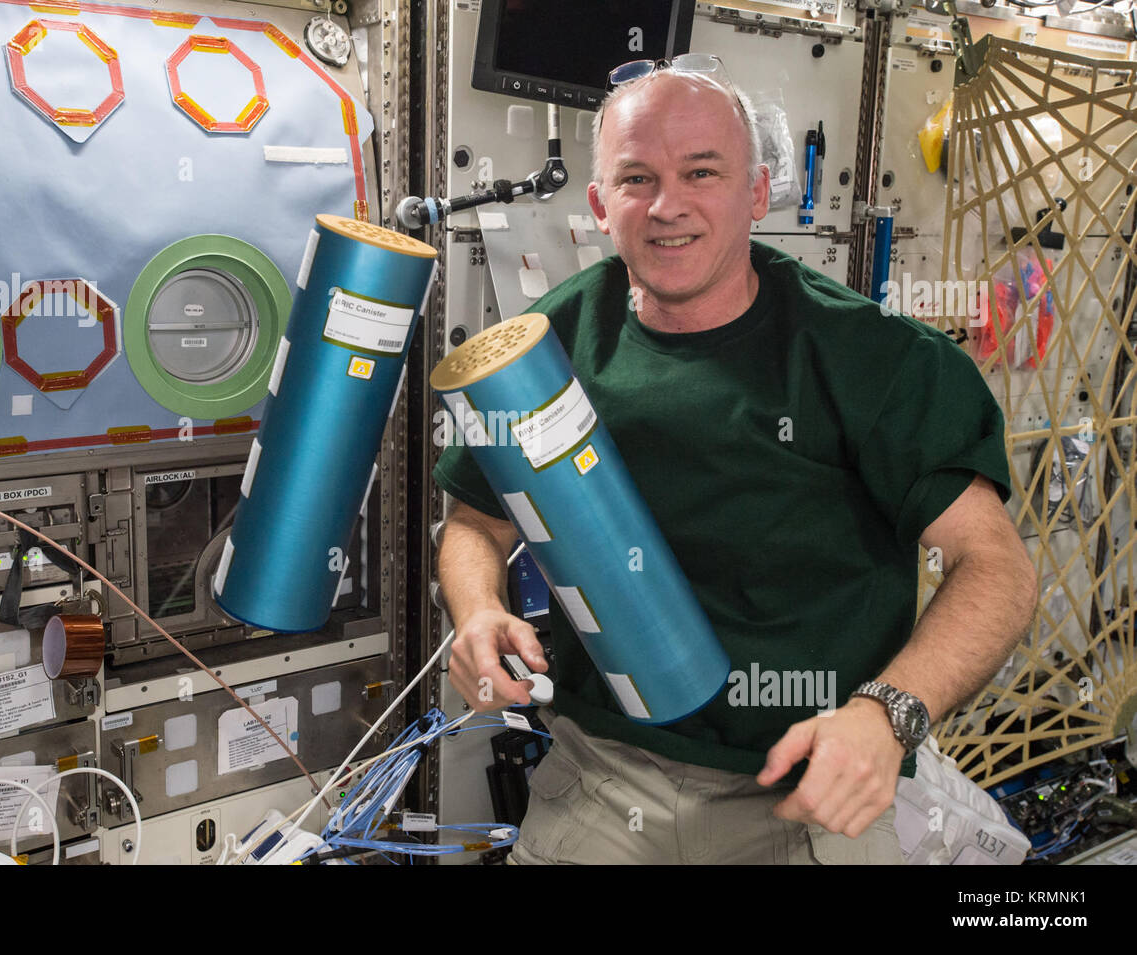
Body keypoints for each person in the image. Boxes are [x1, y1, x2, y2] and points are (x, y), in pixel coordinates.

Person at [432, 65, 1038, 864]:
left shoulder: (871, 361)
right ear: (599, 206)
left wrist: (888, 714)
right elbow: (476, 521)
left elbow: (995, 567)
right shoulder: (553, 342)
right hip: (602, 780)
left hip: (809, 792)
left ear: (757, 193)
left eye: (702, 173)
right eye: (637, 178)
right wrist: (476, 609)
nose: (667, 204)